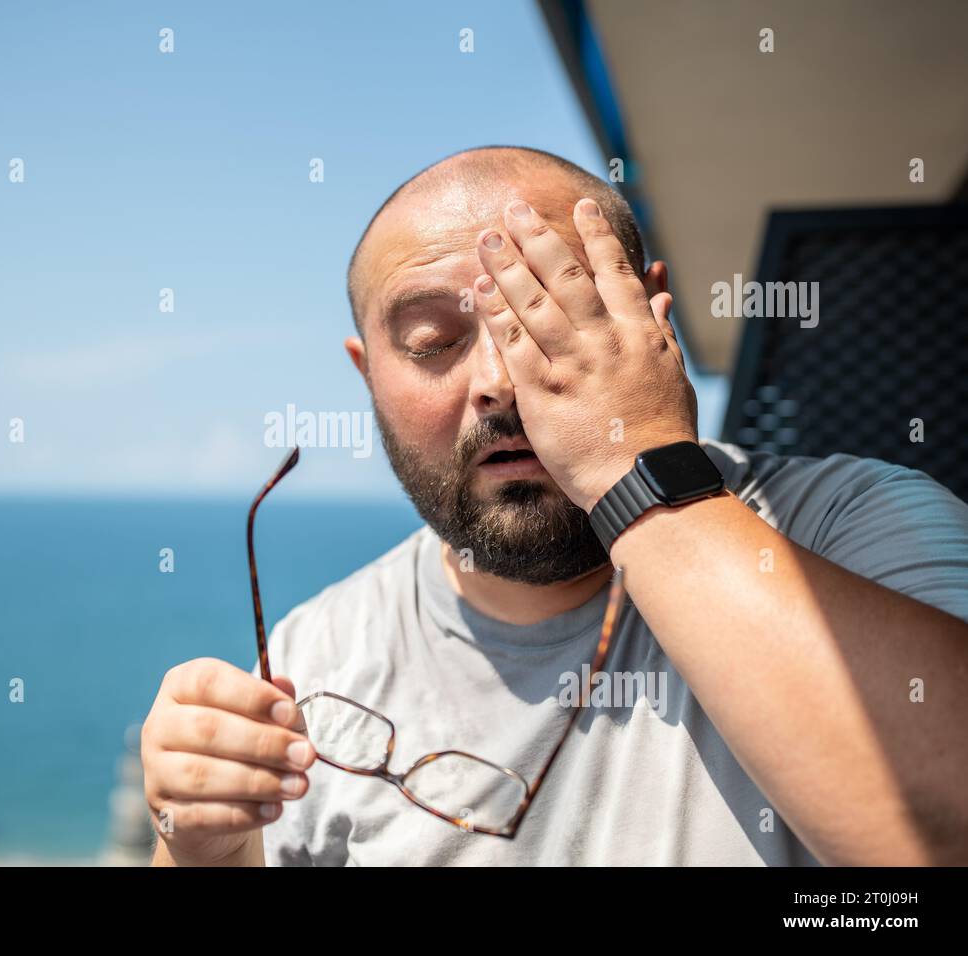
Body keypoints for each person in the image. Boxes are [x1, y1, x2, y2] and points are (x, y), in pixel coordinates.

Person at [141, 146, 968, 866]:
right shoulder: (317, 651)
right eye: (434, 343)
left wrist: (635, 469)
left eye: (547, 315)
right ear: (369, 378)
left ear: (649, 316)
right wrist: (199, 851)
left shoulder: (854, 524)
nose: (498, 382)